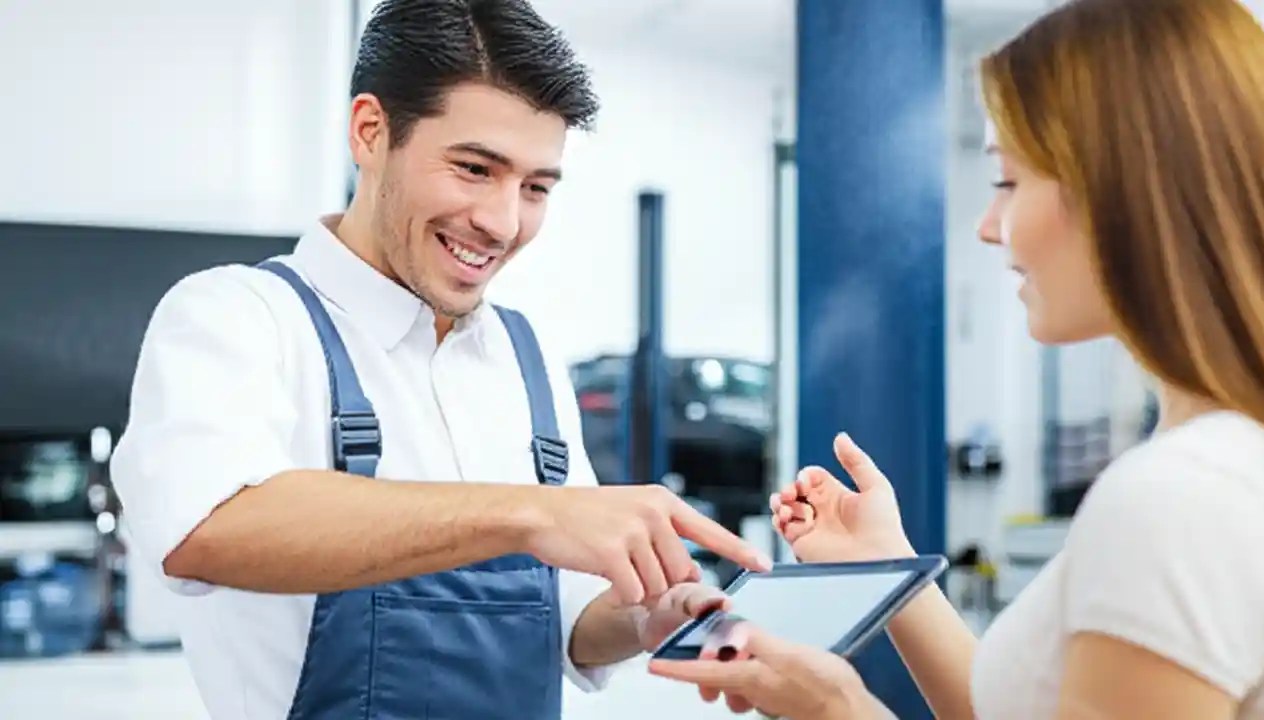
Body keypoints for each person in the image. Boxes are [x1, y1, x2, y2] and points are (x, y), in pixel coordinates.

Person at [109, 1, 771, 718]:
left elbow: (567, 616)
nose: (503, 222)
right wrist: (525, 513)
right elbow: (205, 526)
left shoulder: (526, 355)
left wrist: (646, 618)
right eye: (474, 168)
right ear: (370, 131)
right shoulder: (236, 316)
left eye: (536, 187)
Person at [649, 0, 1264, 717]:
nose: (987, 227)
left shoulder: (1181, 493)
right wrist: (887, 567)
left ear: (1124, 191)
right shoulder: (1226, 463)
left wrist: (840, 710)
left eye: (1007, 182)